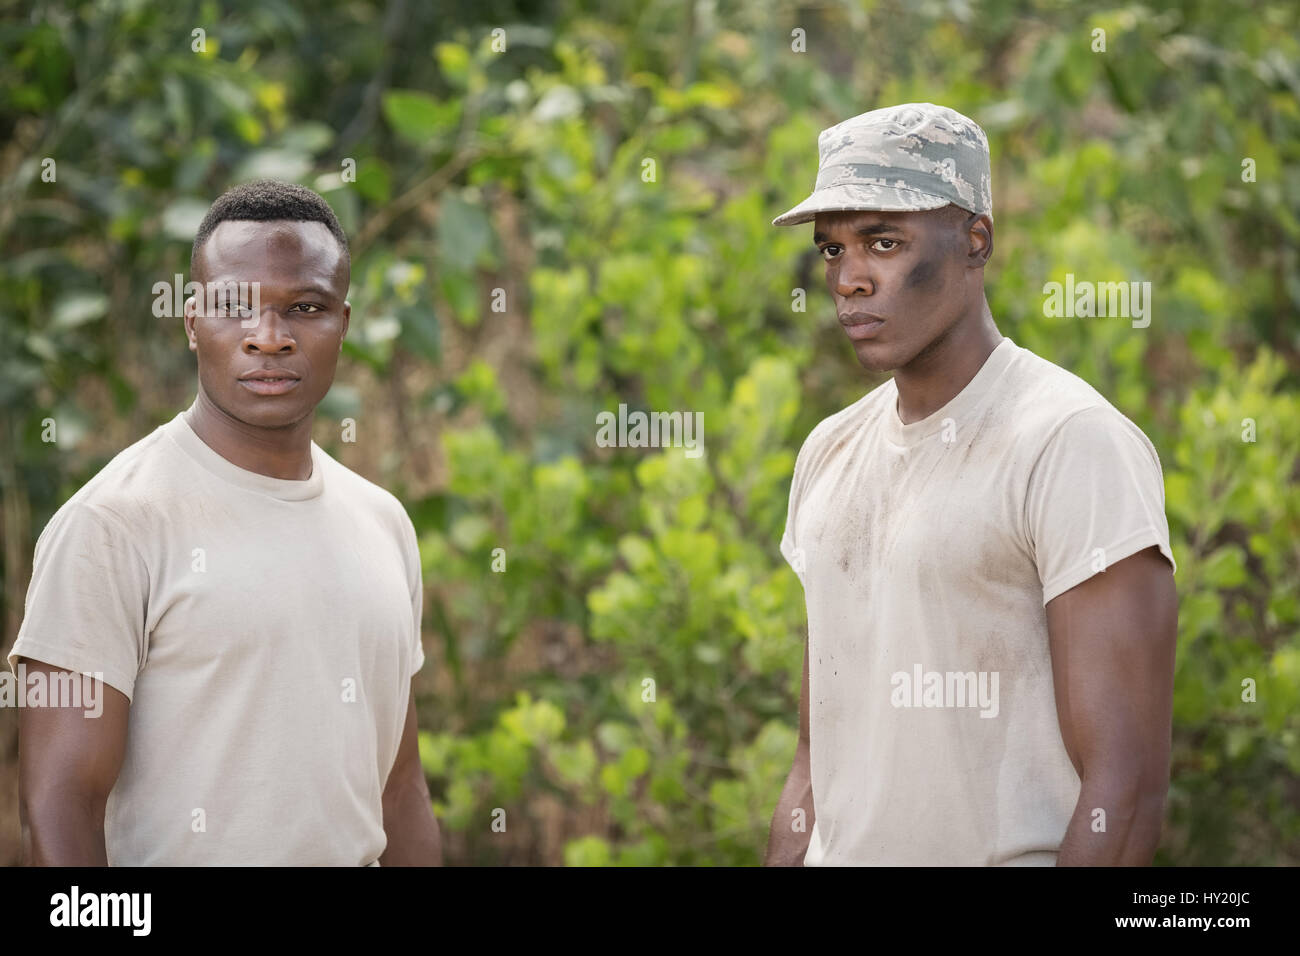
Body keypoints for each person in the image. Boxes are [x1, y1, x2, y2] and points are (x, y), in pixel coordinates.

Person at [763, 104, 1178, 866]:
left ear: (975, 241)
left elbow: (1125, 786)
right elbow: (816, 761)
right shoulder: (830, 452)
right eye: (832, 250)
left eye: (884, 242)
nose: (850, 279)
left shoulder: (1069, 442)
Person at [7, 180, 441, 865]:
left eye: (305, 307)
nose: (268, 338)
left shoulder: (382, 523)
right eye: (233, 307)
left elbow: (399, 792)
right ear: (190, 322)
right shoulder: (111, 525)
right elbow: (59, 805)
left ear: (343, 324)